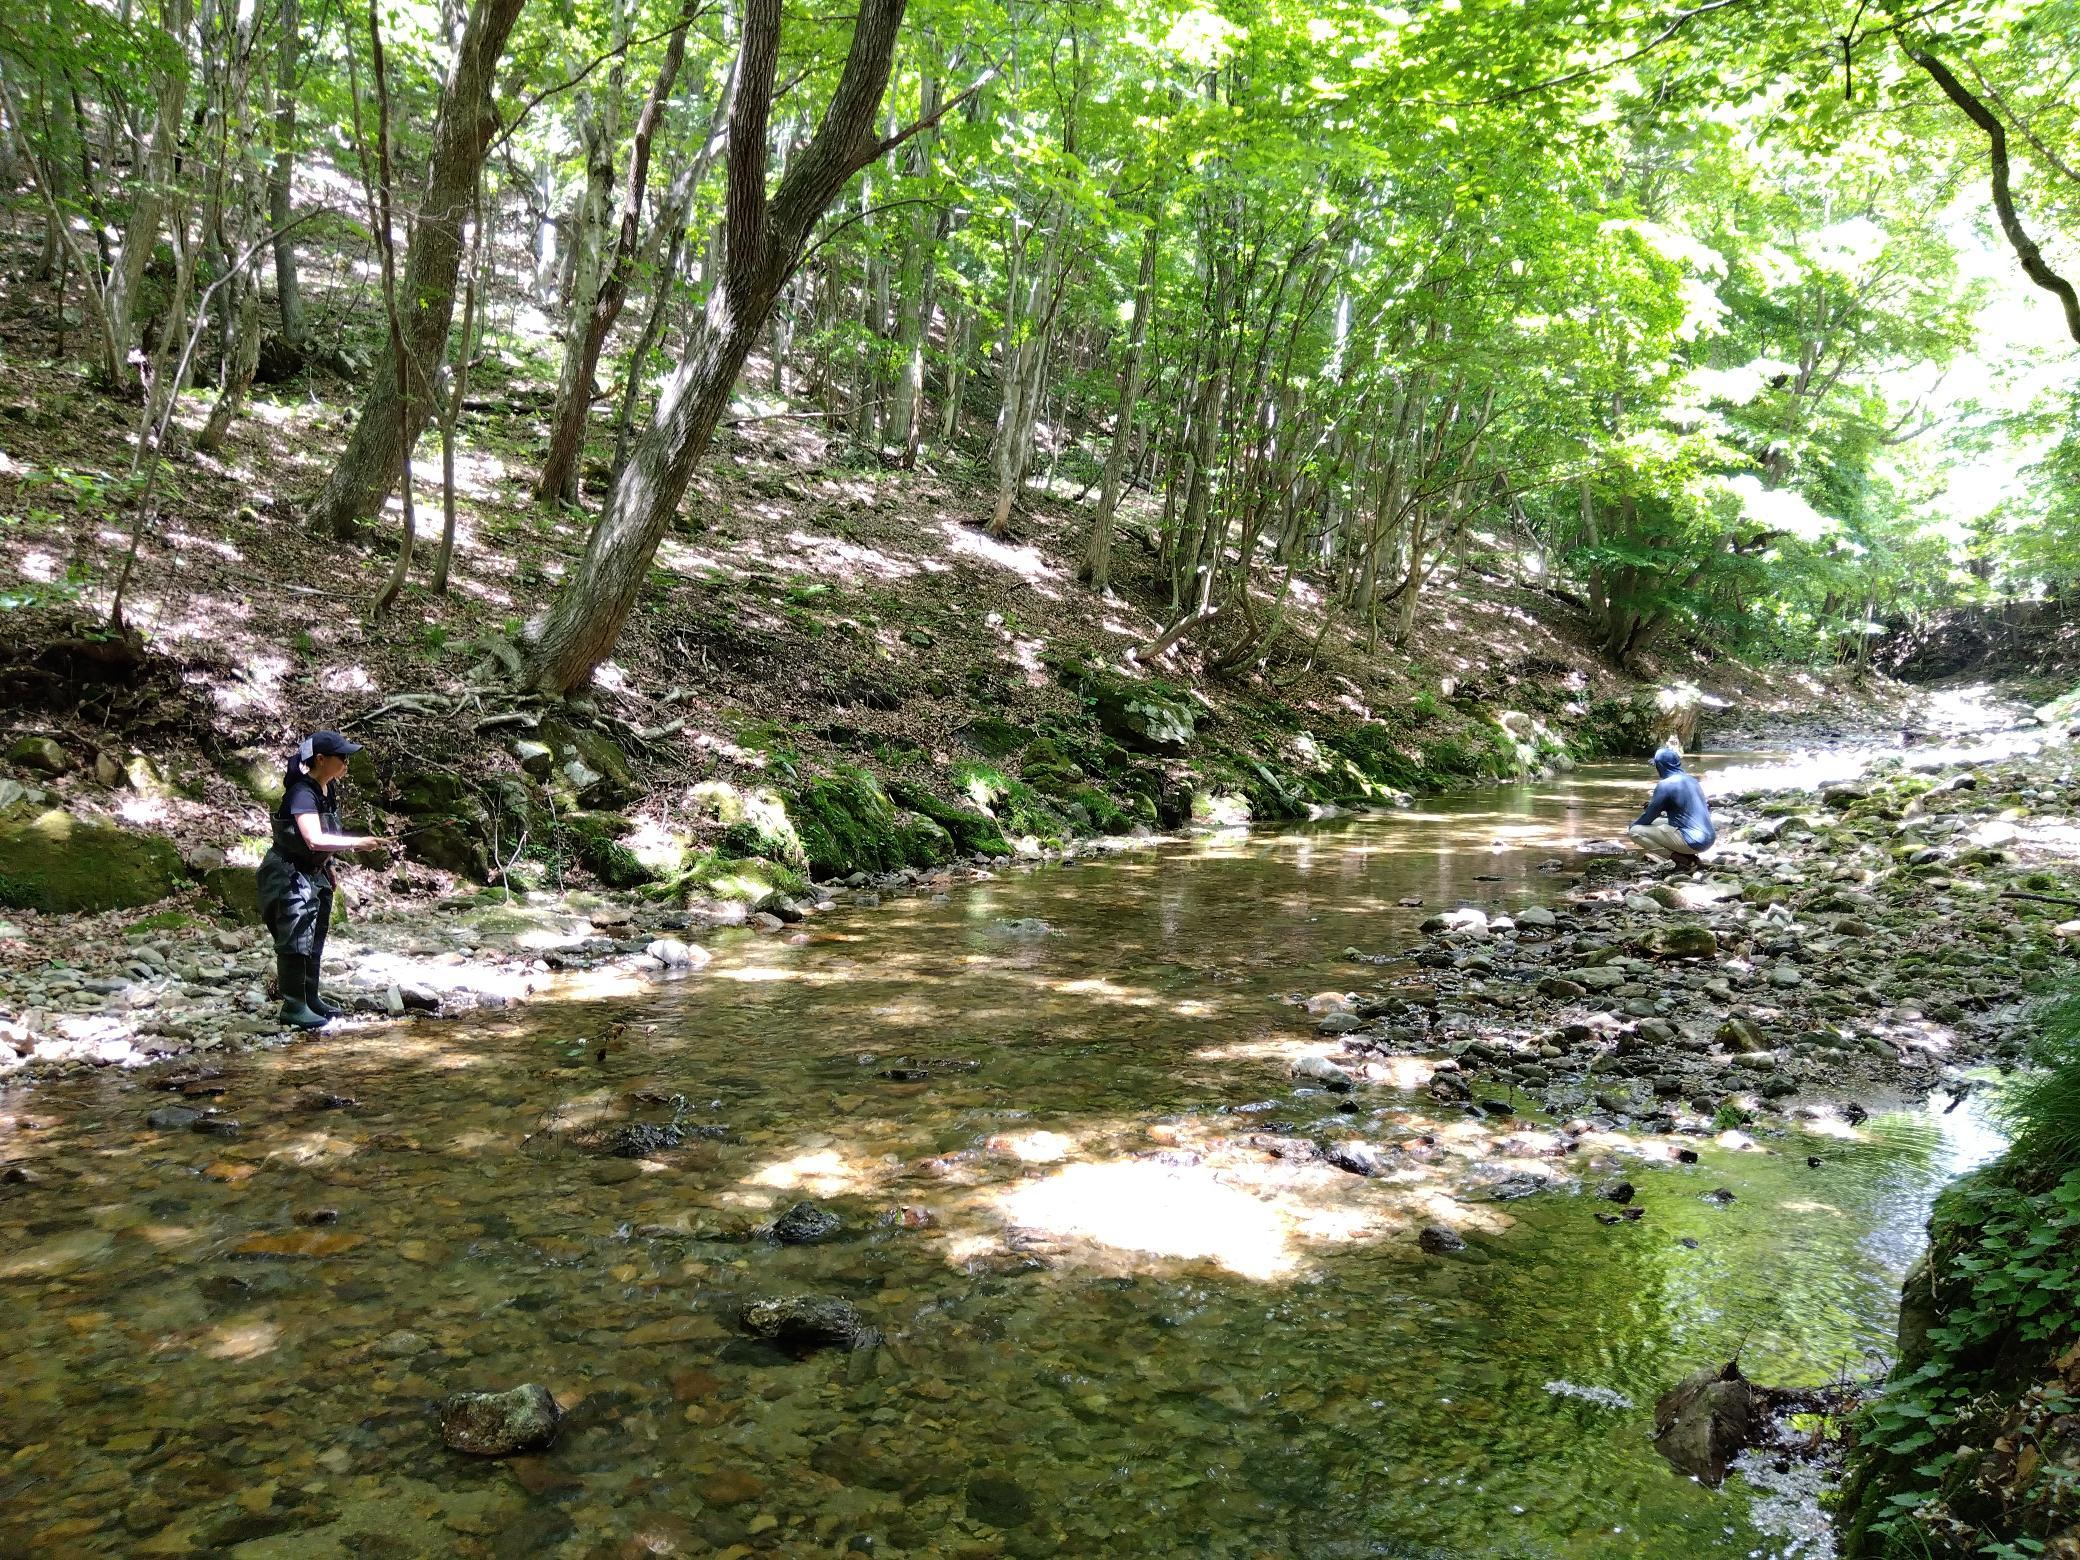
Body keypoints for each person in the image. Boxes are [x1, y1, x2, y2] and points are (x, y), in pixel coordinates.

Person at [257, 732, 388, 1029]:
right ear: (321, 759)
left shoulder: (327, 789)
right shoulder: (302, 793)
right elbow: (314, 839)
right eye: (341, 757)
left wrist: (329, 869)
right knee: (295, 940)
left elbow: (321, 846)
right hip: (288, 875)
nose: (346, 762)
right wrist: (357, 843)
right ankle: (294, 1006)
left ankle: (310, 998)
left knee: (315, 938)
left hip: (314, 874)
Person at [1627, 740, 1715, 870]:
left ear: (1660, 766)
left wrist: (1633, 825)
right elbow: (1679, 809)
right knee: (1657, 822)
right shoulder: (1691, 780)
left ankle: (1680, 858)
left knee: (1635, 831)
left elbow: (1649, 817)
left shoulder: (1665, 785)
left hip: (1692, 841)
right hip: (1708, 838)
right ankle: (1691, 858)